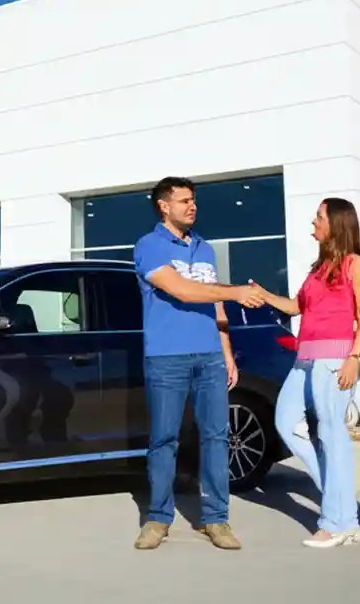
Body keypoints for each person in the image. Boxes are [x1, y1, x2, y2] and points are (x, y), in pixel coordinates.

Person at [131, 176, 266, 551]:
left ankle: (216, 519)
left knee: (216, 436)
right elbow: (183, 290)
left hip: (209, 358)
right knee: (164, 439)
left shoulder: (205, 249)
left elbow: (214, 302)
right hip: (166, 357)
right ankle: (158, 519)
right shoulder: (150, 246)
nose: (192, 206)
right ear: (164, 205)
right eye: (184, 200)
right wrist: (238, 291)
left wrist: (225, 350)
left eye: (194, 200)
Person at [249, 197, 360, 548]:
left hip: (335, 359)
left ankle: (338, 520)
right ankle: (341, 505)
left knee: (332, 435)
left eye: (319, 217)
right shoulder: (318, 269)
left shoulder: (354, 264)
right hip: (305, 358)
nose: (313, 222)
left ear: (337, 223)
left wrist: (354, 357)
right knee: (286, 423)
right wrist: (264, 295)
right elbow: (296, 307)